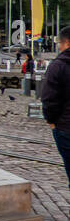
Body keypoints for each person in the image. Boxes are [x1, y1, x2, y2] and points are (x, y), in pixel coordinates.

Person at [42, 27, 70, 189]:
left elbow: (49, 98)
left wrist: (51, 121)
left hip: (65, 127)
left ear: (66, 43)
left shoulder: (58, 65)